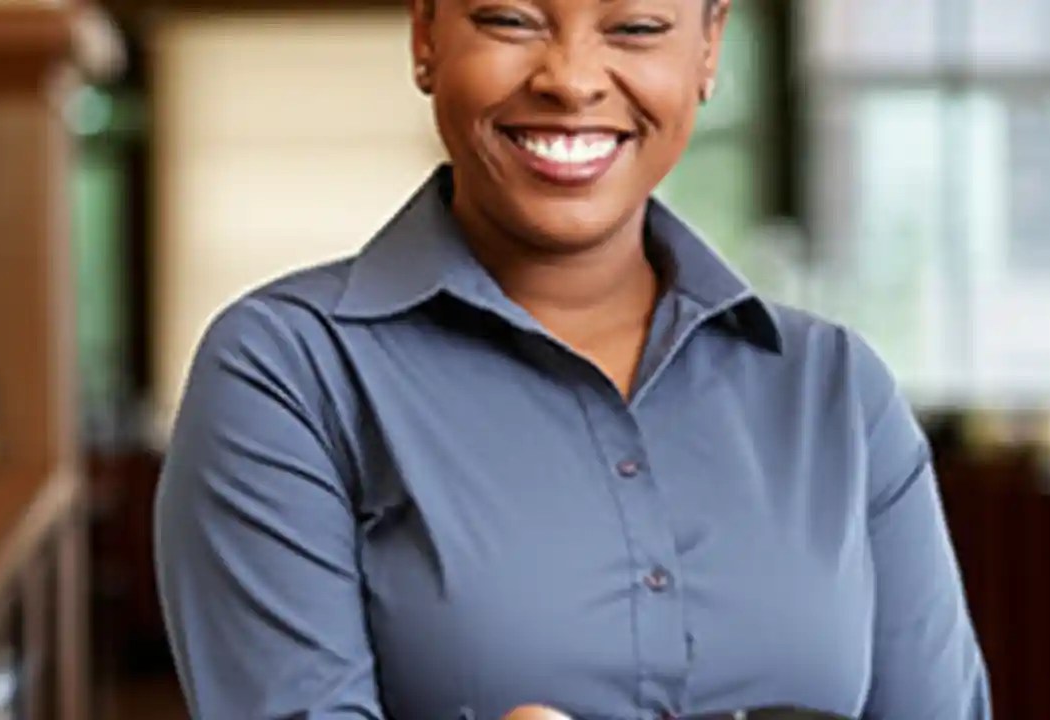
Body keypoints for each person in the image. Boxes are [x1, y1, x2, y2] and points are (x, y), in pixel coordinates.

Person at [154, 0, 992, 718]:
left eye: (633, 26)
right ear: (425, 35)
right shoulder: (285, 373)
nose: (571, 78)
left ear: (707, 48)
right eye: (511, 19)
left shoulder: (837, 392)